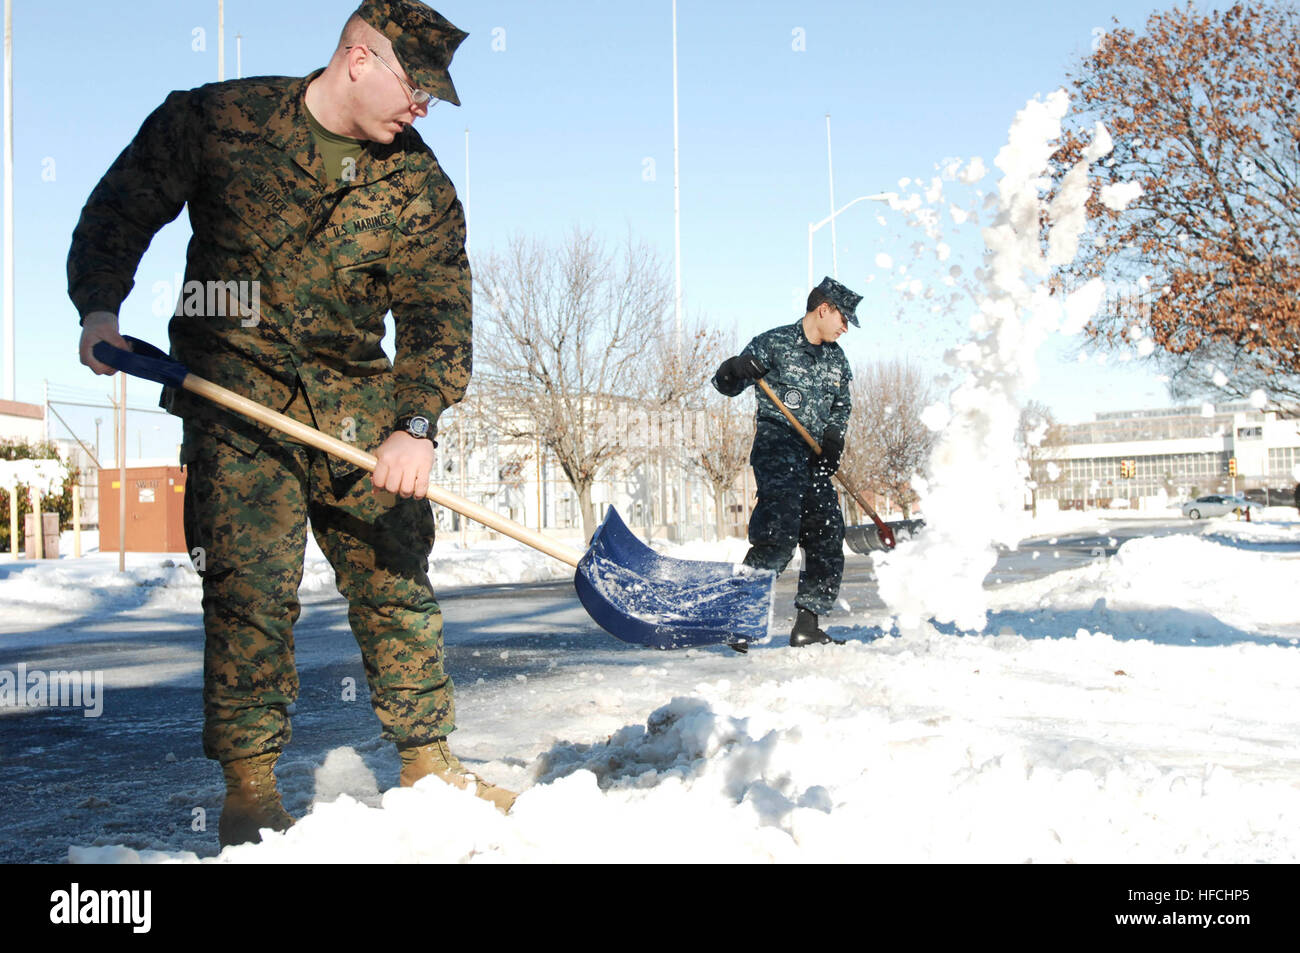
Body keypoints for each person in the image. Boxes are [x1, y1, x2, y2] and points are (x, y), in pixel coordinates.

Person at [70, 0, 515, 848]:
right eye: (415, 87)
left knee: (395, 580)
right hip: (233, 401)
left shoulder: (418, 185)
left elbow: (438, 314)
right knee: (247, 595)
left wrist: (415, 423)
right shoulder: (215, 120)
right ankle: (249, 792)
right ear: (358, 58)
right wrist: (100, 306)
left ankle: (428, 765)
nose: (422, 108)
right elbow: (119, 210)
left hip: (359, 413)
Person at [713, 276, 860, 648]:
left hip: (814, 456)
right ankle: (739, 620)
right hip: (778, 446)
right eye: (844, 319)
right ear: (823, 309)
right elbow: (726, 384)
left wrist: (833, 441)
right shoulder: (774, 343)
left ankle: (807, 625)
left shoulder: (837, 358)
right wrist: (734, 368)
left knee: (827, 534)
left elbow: (841, 406)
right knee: (778, 536)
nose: (846, 327)